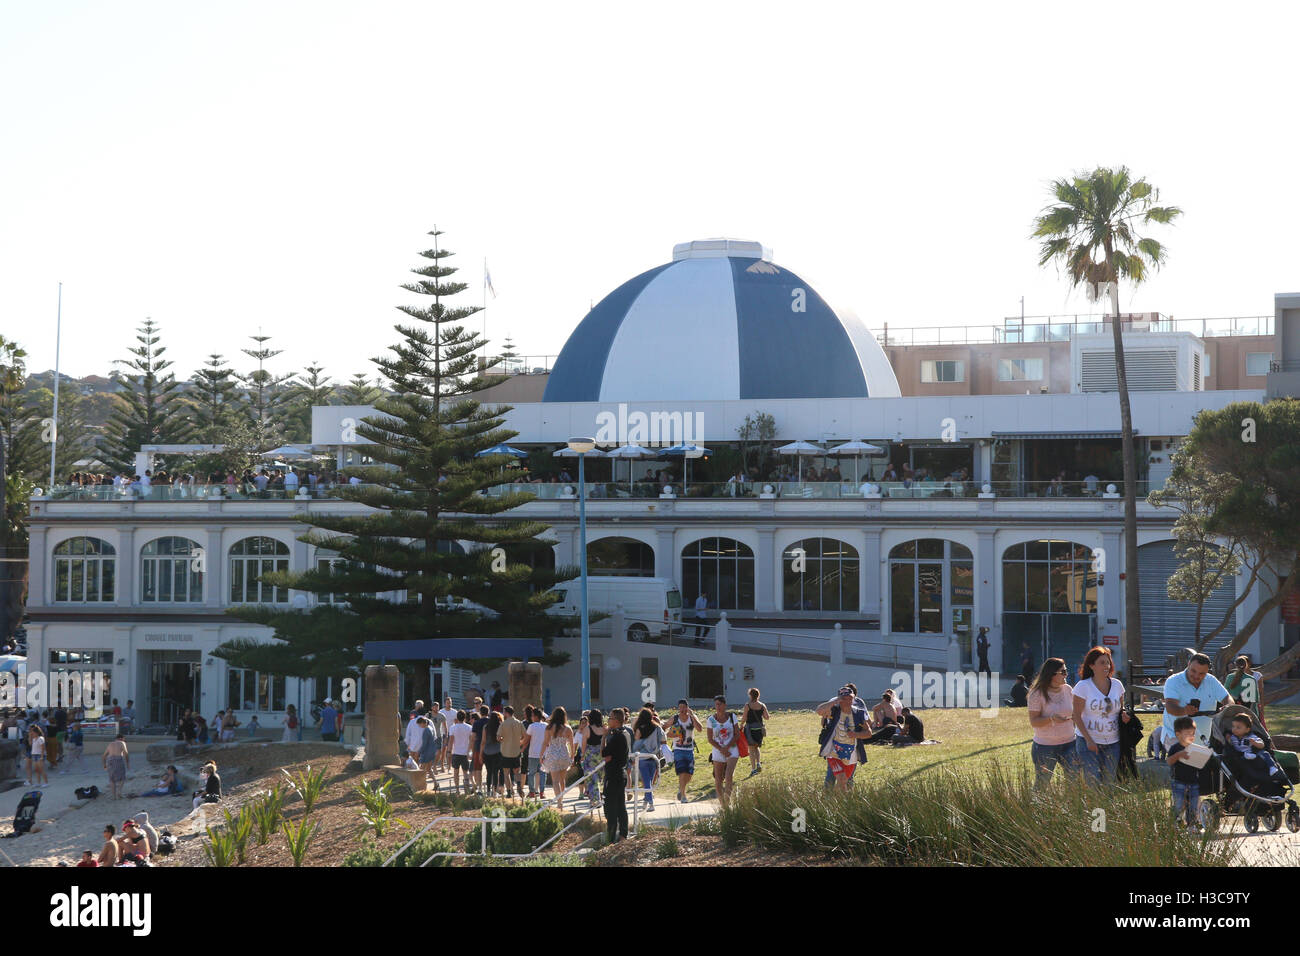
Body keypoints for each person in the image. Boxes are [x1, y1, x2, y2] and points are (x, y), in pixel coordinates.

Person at [1072, 646, 1130, 786]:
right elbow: (1076, 716)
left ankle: (1106, 802)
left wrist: (1124, 714)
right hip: (1089, 742)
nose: (1106, 666)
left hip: (1113, 742)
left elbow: (1120, 708)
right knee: (1093, 784)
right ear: (1092, 665)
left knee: (1109, 783)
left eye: (1108, 663)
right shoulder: (1083, 686)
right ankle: (1093, 803)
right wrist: (1089, 740)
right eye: (1102, 663)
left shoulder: (1117, 685)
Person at [1160, 653, 1233, 750]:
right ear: (1188, 664)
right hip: (1175, 736)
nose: (1196, 676)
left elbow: (1228, 698)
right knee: (1184, 759)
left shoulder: (1211, 681)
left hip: (1202, 740)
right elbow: (1170, 707)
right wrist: (1184, 710)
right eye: (1193, 671)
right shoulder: (1173, 681)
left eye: (1201, 673)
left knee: (1199, 760)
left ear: (1207, 671)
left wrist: (1227, 706)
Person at [1027, 658, 1075, 788]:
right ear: (1052, 674)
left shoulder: (1068, 689)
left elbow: (1074, 712)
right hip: (1045, 747)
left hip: (1070, 744)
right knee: (1042, 784)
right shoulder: (1036, 694)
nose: (1066, 674)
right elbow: (1034, 722)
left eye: (1066, 671)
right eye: (1063, 672)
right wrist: (1051, 719)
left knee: (1075, 782)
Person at [815, 686, 871, 791]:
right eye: (844, 699)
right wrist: (835, 701)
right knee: (839, 779)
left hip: (851, 754)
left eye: (850, 698)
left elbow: (868, 733)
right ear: (840, 699)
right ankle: (828, 796)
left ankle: (840, 800)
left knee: (844, 782)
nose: (848, 701)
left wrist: (856, 735)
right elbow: (819, 711)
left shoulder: (858, 713)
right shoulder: (834, 711)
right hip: (834, 752)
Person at [1225, 712, 1287, 784]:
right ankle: (1248, 756)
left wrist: (1255, 743)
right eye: (1233, 726)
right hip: (1241, 755)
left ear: (1247, 730)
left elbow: (1262, 745)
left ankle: (1272, 767)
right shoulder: (1233, 737)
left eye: (1238, 727)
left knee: (1265, 753)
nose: (1234, 729)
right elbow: (1230, 745)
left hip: (1253, 752)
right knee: (1239, 758)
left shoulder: (1251, 736)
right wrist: (1228, 739)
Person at [1166, 716, 1203, 831]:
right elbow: (1169, 761)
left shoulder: (1195, 748)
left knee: (1193, 804)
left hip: (1194, 781)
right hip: (1179, 781)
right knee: (1179, 804)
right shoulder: (1175, 748)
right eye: (1188, 733)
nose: (1192, 736)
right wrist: (1178, 755)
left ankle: (1192, 824)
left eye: (1193, 733)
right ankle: (1175, 822)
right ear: (1178, 734)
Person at [706, 695, 741, 807]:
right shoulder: (711, 720)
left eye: (720, 704)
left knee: (728, 775)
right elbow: (710, 739)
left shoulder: (732, 717)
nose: (718, 707)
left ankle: (728, 801)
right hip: (718, 750)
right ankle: (723, 805)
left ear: (725, 705)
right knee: (718, 778)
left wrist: (727, 747)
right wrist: (721, 749)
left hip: (732, 749)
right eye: (716, 704)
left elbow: (737, 734)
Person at [601, 708, 630, 842]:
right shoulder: (625, 733)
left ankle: (611, 838)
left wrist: (604, 737)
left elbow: (603, 753)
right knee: (621, 807)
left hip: (613, 775)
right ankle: (623, 835)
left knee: (611, 809)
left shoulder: (617, 736)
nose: (608, 720)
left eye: (610, 718)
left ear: (617, 720)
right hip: (621, 773)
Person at [667, 699, 702, 803]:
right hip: (678, 749)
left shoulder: (692, 718)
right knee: (682, 771)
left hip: (689, 749)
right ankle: (683, 796)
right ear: (678, 708)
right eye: (680, 707)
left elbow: (700, 729)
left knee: (689, 774)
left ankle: (681, 787)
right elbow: (664, 729)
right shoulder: (675, 718)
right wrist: (672, 734)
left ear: (687, 708)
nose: (682, 709)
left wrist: (693, 716)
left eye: (684, 707)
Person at [540, 707, 575, 811]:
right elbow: (572, 744)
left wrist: (541, 755)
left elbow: (545, 742)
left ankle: (559, 802)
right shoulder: (568, 728)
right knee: (562, 780)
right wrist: (572, 756)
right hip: (564, 755)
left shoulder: (549, 728)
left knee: (555, 781)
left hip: (553, 755)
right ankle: (561, 799)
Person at [630, 708, 664, 811]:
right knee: (649, 781)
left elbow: (636, 745)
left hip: (642, 757)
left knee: (646, 781)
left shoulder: (639, 729)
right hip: (654, 757)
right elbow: (663, 738)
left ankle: (651, 803)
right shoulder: (657, 727)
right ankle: (646, 801)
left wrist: (633, 757)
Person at [498, 705, 526, 798]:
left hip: (505, 751)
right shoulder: (519, 723)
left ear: (506, 713)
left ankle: (509, 792)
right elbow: (525, 736)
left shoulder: (503, 724)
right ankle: (519, 786)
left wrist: (503, 740)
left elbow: (498, 737)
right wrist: (520, 742)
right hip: (516, 751)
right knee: (517, 772)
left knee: (506, 774)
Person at [741, 688, 769, 777]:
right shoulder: (762, 705)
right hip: (759, 729)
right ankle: (758, 764)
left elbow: (744, 718)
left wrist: (741, 725)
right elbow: (767, 717)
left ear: (750, 695)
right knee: (756, 747)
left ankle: (753, 769)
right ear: (758, 695)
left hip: (750, 729)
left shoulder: (747, 705)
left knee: (751, 749)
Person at [524, 707, 549, 799]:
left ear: (535, 716)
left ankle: (532, 792)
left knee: (531, 773)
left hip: (533, 753)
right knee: (543, 773)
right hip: (544, 754)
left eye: (532, 715)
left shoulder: (531, 726)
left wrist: (520, 745)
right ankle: (542, 792)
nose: (531, 717)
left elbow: (526, 740)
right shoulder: (546, 726)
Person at [448, 710, 474, 794]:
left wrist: (449, 751)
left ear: (457, 718)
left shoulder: (452, 728)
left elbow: (451, 741)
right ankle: (467, 789)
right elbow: (471, 741)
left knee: (456, 772)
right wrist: (470, 751)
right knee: (465, 772)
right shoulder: (469, 727)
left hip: (456, 752)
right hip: (466, 753)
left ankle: (457, 790)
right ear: (465, 718)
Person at [103, 733, 129, 799]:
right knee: (122, 777)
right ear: (121, 738)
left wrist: (104, 765)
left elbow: (104, 756)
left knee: (112, 780)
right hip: (118, 760)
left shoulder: (110, 744)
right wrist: (127, 763)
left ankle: (114, 796)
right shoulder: (122, 743)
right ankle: (119, 792)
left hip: (110, 760)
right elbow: (126, 753)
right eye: (124, 739)